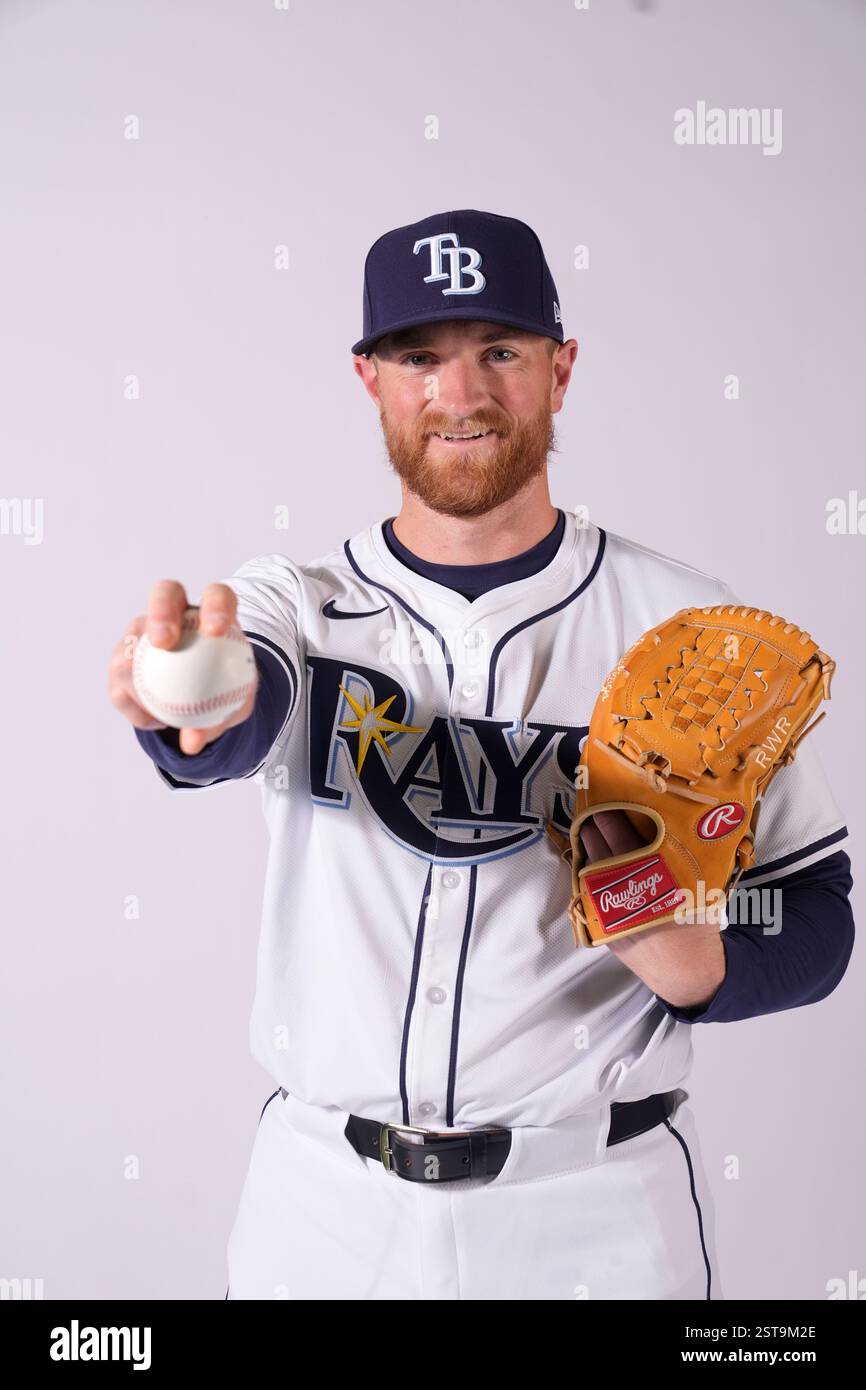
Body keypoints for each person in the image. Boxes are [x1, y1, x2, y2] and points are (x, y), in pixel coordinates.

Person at [108, 209, 854, 1300]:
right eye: (420, 357)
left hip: (595, 1213)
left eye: (499, 351)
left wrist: (708, 961)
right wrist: (197, 708)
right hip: (322, 1215)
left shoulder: (691, 633)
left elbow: (815, 912)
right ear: (369, 377)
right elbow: (236, 708)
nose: (459, 396)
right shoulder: (295, 606)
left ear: (561, 367)